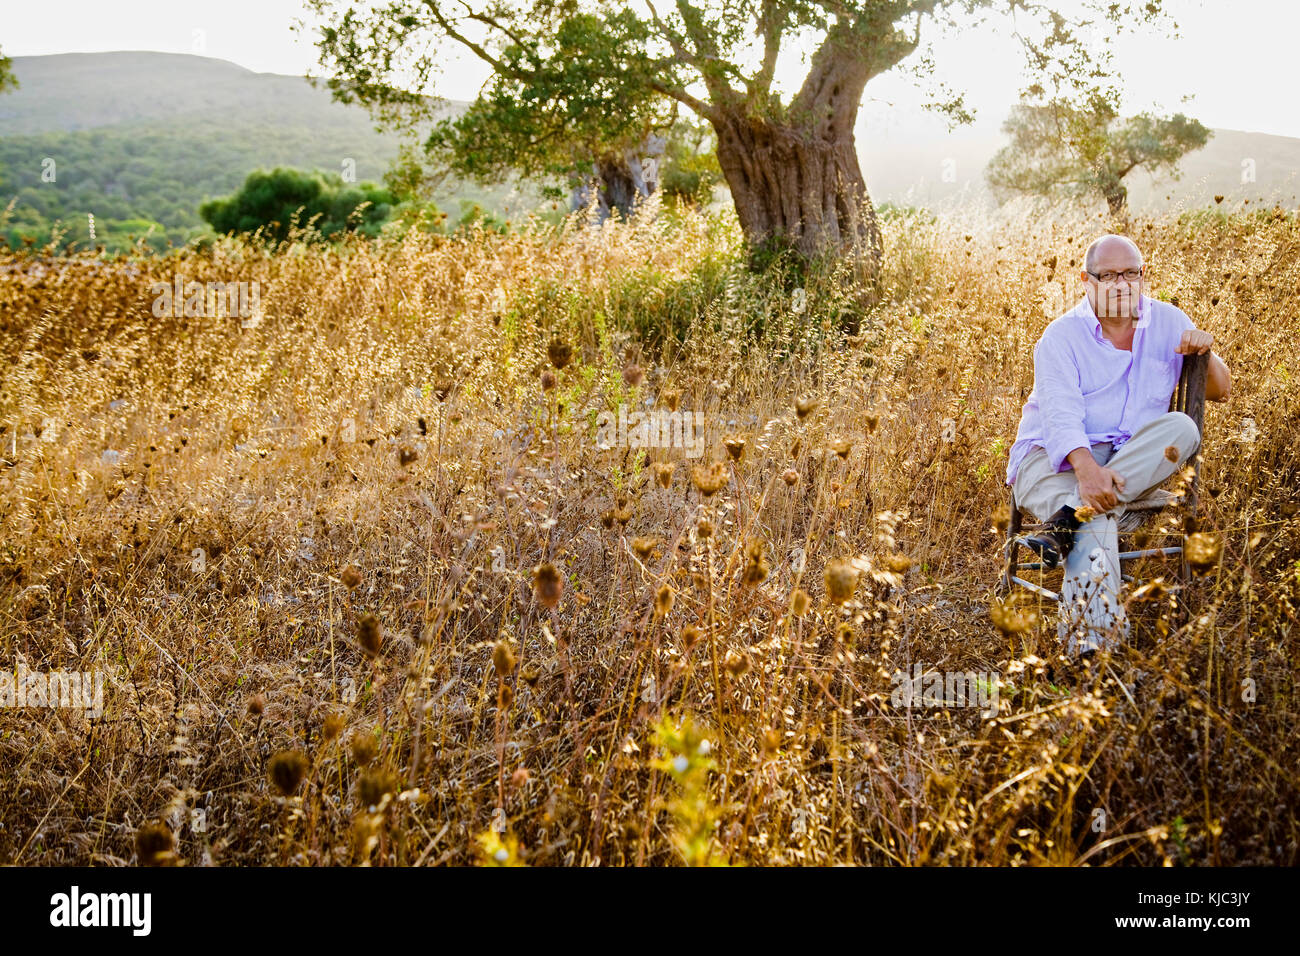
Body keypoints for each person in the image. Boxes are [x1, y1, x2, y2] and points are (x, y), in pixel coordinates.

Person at [1006, 234, 1231, 657]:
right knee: (1098, 520)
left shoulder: (1167, 321)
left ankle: (1067, 520)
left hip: (1132, 462)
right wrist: (1089, 475)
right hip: (1050, 460)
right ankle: (1092, 653)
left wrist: (1206, 351)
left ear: (1142, 277)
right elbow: (1061, 418)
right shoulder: (1060, 338)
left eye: (1130, 273)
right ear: (1086, 281)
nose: (1120, 283)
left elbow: (1221, 390)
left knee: (1182, 428)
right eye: (1107, 275)